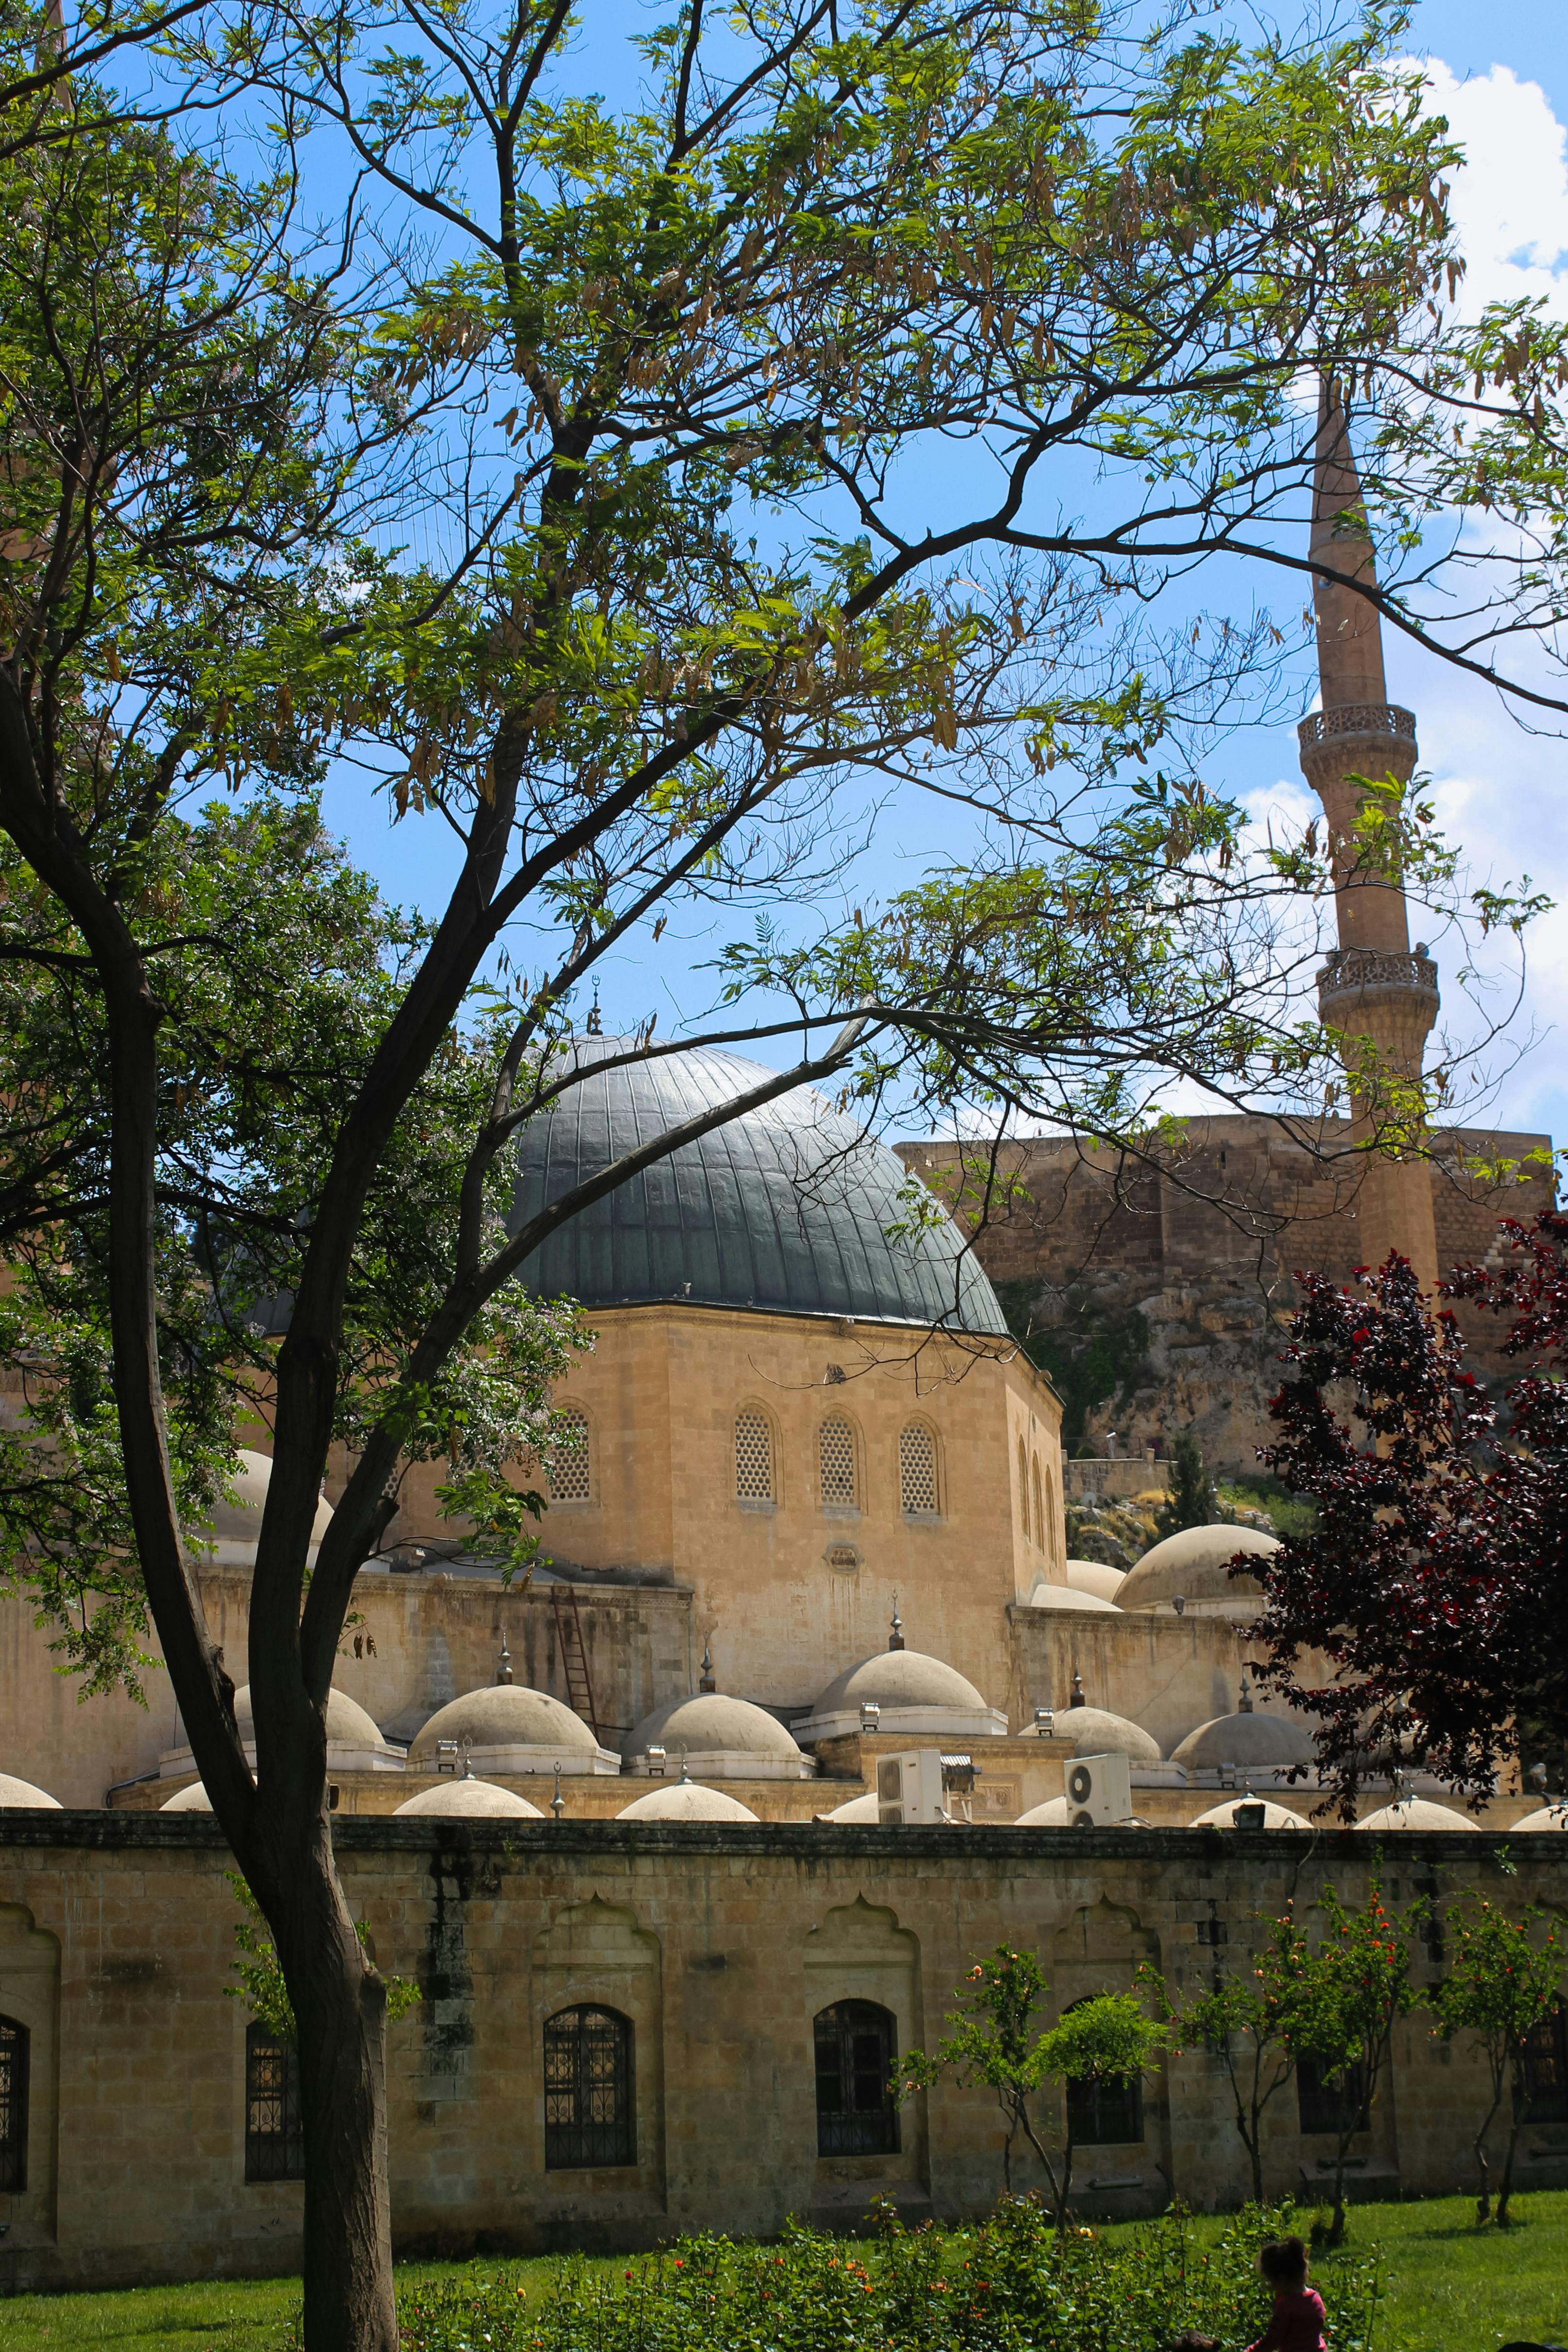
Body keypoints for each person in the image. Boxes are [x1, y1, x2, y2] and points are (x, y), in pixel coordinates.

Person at [1245, 2237, 1327, 2352]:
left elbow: (1271, 2341)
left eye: (1272, 2282)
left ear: (1282, 2280)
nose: (1273, 2288)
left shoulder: (1287, 2307)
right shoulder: (1316, 2298)